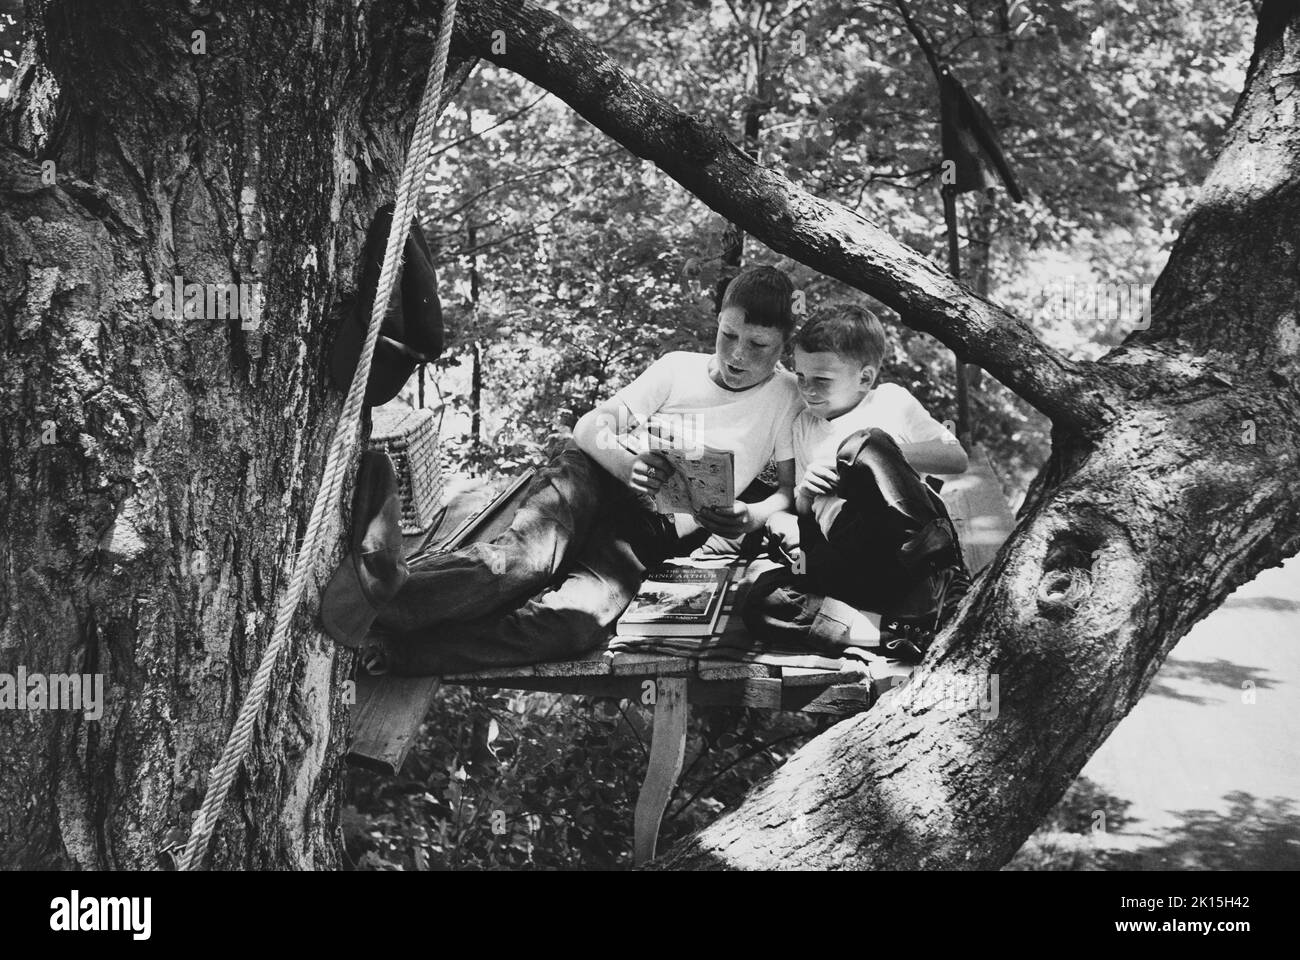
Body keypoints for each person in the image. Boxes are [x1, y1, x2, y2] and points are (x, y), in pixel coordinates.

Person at [321, 265, 804, 676]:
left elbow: (785, 493)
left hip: (650, 531)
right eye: (729, 335)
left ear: (784, 345)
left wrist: (749, 516)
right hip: (594, 475)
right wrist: (629, 462)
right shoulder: (678, 368)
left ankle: (399, 648)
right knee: (526, 562)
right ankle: (381, 586)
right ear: (718, 321)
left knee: (577, 625)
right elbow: (591, 426)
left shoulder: (787, 397)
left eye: (758, 345)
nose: (738, 355)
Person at [741, 301, 971, 662]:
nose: (807, 390)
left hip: (906, 549)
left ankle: (939, 581)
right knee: (761, 599)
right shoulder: (802, 425)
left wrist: (862, 462)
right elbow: (805, 515)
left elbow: (955, 457)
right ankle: (897, 632)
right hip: (850, 559)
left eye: (822, 380)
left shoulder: (892, 401)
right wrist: (805, 493)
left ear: (865, 378)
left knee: (865, 443)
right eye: (801, 377)